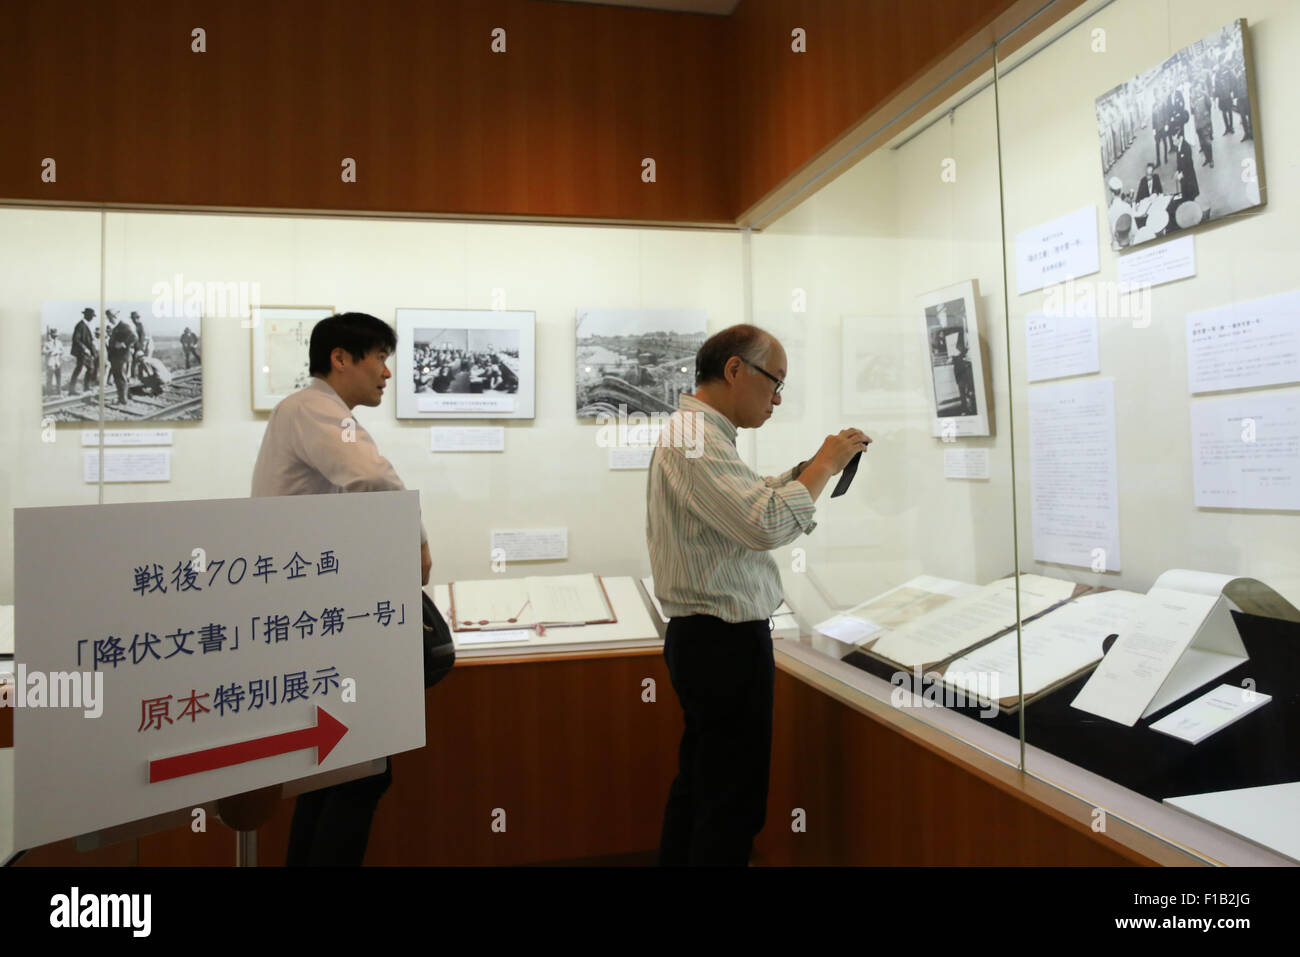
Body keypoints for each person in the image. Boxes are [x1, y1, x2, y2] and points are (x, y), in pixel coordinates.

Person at [647, 324, 870, 866]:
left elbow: (743, 502)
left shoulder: (701, 434)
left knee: (704, 785)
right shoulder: (695, 437)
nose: (775, 398)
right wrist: (824, 467)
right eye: (775, 382)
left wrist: (801, 472)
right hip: (721, 643)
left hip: (711, 640)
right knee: (732, 803)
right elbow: (764, 524)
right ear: (734, 370)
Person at [250, 312, 431, 867]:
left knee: (333, 777)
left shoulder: (308, 411)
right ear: (340, 357)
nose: (386, 373)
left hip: (312, 616)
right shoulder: (314, 409)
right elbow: (372, 478)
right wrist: (415, 543)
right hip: (320, 621)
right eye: (378, 357)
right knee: (359, 774)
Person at [105, 309, 137, 404]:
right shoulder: (116, 327)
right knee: (119, 378)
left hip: (121, 357)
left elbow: (134, 337)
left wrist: (124, 344)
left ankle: (122, 399)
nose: (109, 320)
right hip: (117, 357)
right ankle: (123, 397)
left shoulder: (123, 326)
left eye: (110, 318)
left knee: (120, 378)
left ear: (114, 317)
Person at [68, 307, 97, 395]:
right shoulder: (80, 325)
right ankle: (72, 390)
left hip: (86, 352)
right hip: (81, 352)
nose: (92, 318)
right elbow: (76, 339)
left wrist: (92, 351)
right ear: (86, 315)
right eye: (91, 316)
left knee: (88, 368)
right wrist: (84, 348)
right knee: (81, 368)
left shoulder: (86, 325)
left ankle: (85, 387)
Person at [43, 328, 65, 395]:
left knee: (58, 378)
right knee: (49, 379)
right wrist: (50, 351)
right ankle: (49, 393)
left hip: (57, 363)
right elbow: (43, 351)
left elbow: (62, 351)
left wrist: (58, 352)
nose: (55, 336)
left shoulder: (59, 342)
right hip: (50, 363)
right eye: (53, 335)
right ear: (51, 335)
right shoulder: (47, 343)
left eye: (56, 335)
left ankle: (59, 392)